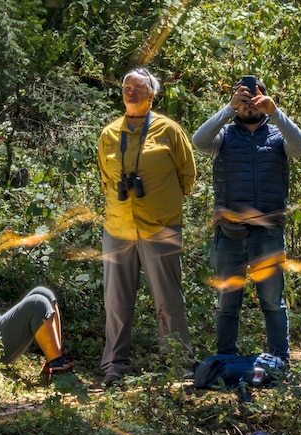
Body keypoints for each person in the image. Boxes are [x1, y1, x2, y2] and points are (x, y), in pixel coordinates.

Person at [191, 77, 301, 364]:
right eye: (243, 100)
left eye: (254, 99)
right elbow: (198, 141)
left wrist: (275, 112)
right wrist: (228, 109)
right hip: (228, 235)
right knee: (226, 304)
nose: (248, 105)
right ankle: (226, 361)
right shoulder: (224, 137)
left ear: (265, 100)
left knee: (272, 303)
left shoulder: (278, 138)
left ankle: (280, 360)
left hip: (267, 235)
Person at [98, 68, 196, 387]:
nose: (130, 92)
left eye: (138, 88)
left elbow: (188, 175)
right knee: (116, 300)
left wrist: (163, 204)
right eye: (126, 87)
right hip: (118, 228)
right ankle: (115, 364)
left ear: (151, 95)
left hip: (160, 226)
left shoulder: (170, 130)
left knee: (168, 297)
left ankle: (178, 364)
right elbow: (105, 178)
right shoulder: (110, 133)